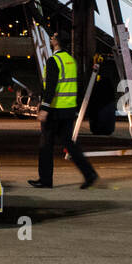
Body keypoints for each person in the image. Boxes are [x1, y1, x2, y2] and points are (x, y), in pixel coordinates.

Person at [29, 36, 99, 189]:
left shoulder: (54, 61)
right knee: (69, 144)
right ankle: (89, 173)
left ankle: (45, 180)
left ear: (56, 42)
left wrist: (44, 109)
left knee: (45, 145)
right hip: (68, 110)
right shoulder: (70, 61)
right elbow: (76, 85)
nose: (51, 38)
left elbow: (51, 87)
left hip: (54, 110)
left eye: (53, 37)